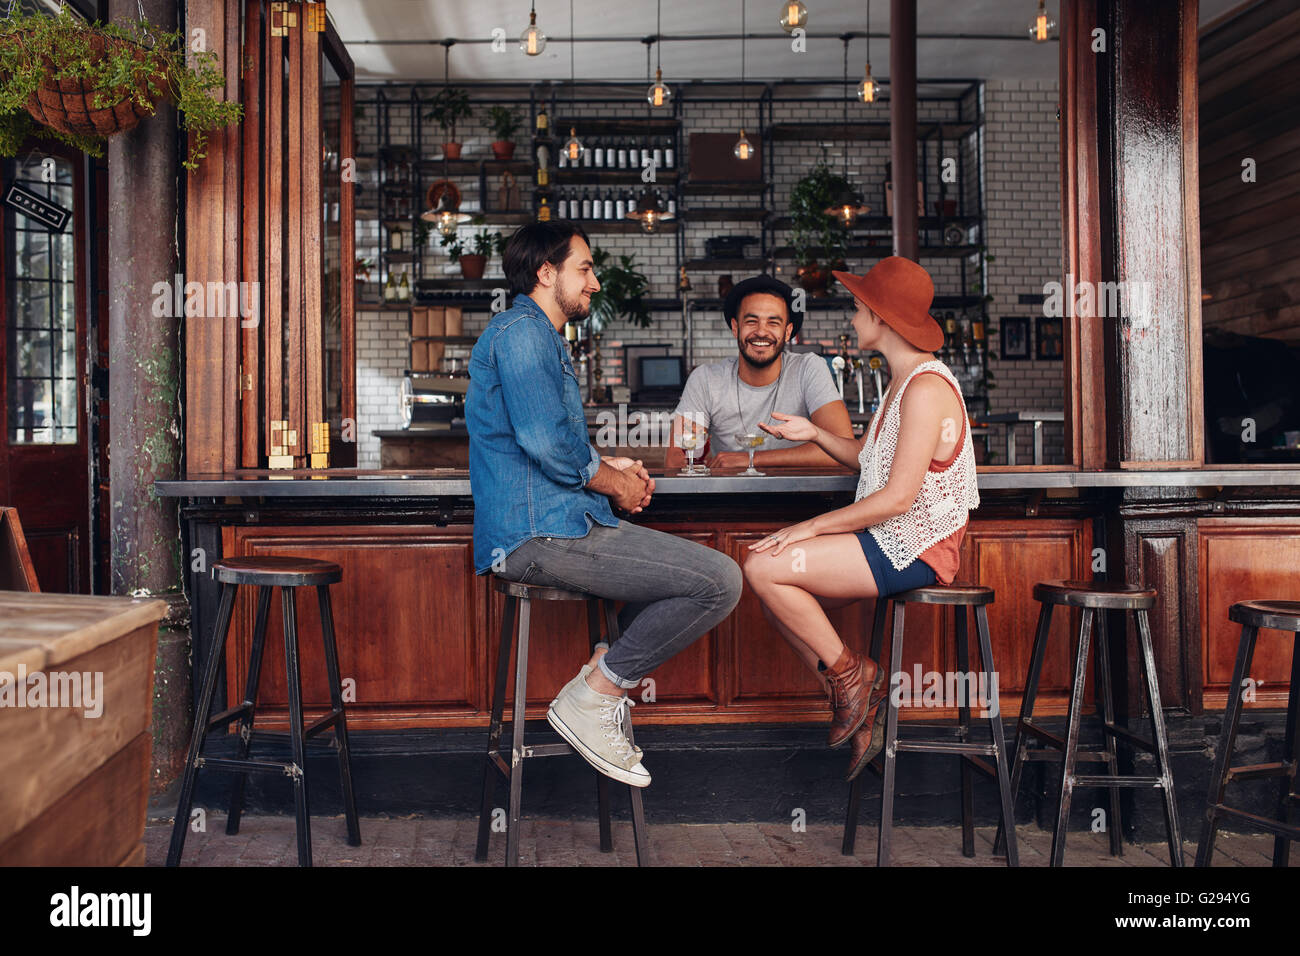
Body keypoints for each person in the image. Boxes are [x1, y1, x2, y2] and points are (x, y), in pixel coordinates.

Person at [466, 221, 743, 790]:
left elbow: (561, 443)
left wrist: (618, 472)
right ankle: (594, 694)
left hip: (561, 526)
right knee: (719, 580)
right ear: (547, 273)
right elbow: (544, 441)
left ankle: (600, 674)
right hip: (536, 536)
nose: (594, 282)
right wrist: (615, 484)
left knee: (711, 580)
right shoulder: (522, 331)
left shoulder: (542, 336)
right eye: (585, 269)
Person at [740, 257, 980, 782]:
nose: (851, 319)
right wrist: (816, 435)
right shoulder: (902, 381)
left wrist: (809, 527)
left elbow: (897, 499)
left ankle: (855, 677)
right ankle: (858, 701)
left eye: (857, 308)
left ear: (880, 316)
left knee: (762, 568)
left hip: (915, 546)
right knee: (776, 594)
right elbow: (870, 461)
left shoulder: (925, 389)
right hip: (886, 539)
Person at [664, 275, 854, 471]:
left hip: (801, 498)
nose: (761, 332)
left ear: (788, 332)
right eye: (751, 321)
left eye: (773, 322)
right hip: (727, 498)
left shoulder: (808, 368)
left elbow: (844, 451)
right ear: (735, 328)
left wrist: (750, 460)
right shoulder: (706, 379)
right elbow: (676, 459)